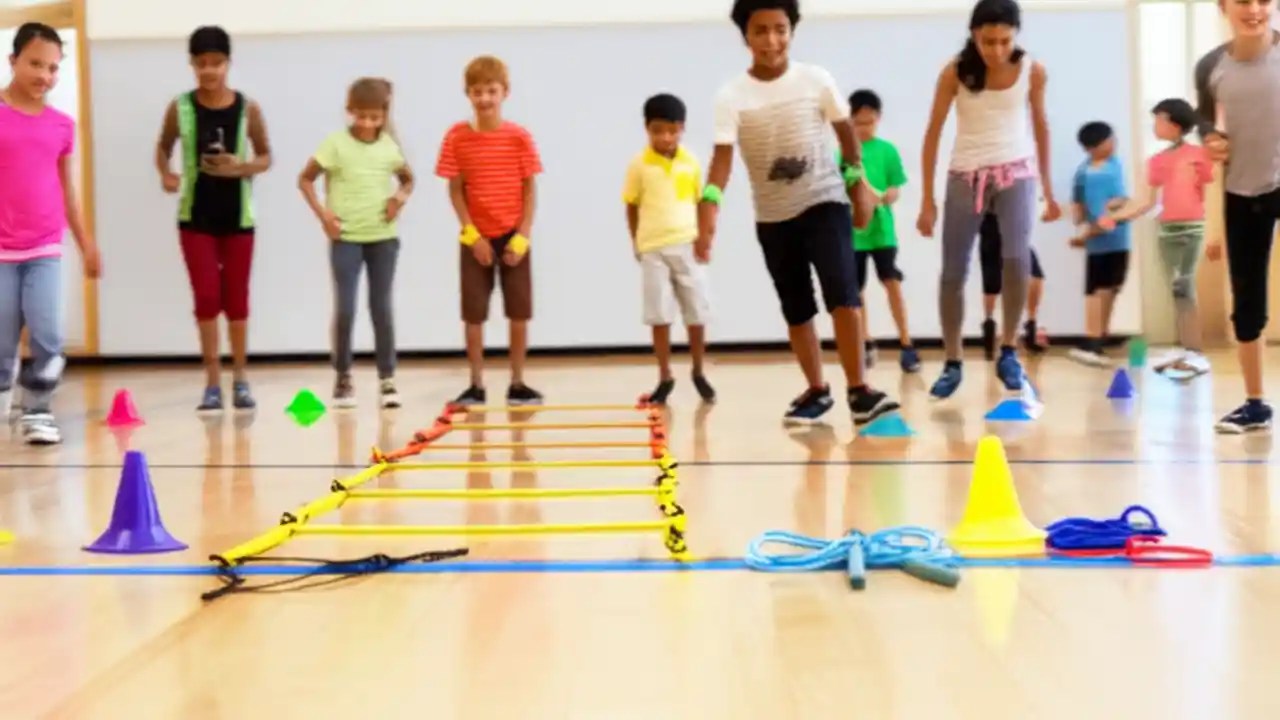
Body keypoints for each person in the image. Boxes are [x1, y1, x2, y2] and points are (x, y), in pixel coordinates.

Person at [699, 0, 899, 426]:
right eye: (761, 31)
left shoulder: (815, 80)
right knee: (797, 307)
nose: (772, 40)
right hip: (773, 217)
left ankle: (860, 390)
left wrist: (856, 185)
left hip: (825, 201)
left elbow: (847, 137)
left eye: (780, 29)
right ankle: (816, 389)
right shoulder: (731, 96)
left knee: (843, 294)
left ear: (792, 30)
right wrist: (710, 202)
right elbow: (721, 160)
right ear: (745, 36)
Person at [916, 0, 1061, 400]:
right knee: (953, 271)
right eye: (987, 41)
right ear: (974, 35)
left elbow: (1042, 128)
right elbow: (932, 135)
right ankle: (952, 360)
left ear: (1015, 36)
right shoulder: (955, 71)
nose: (996, 50)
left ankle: (1009, 349)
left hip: (1017, 172)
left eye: (1003, 41)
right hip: (966, 174)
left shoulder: (1033, 70)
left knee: (1017, 260)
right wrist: (927, 200)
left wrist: (1048, 190)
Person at [155, 25, 272, 414]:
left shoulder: (248, 108)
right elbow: (163, 146)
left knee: (236, 300)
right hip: (195, 217)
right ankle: (211, 383)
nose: (209, 71)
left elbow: (266, 157)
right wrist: (167, 174)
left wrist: (240, 167)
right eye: (201, 64)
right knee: (207, 297)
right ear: (192, 64)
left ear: (228, 64)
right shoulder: (181, 107)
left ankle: (240, 379)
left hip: (238, 218)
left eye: (216, 63)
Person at [0, 22, 101, 445]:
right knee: (2, 339)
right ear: (13, 61)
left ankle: (38, 410)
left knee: (49, 334)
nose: (45, 75)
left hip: (44, 246)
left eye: (53, 68)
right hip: (1, 251)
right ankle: (6, 401)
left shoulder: (61, 125)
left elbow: (67, 189)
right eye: (36, 64)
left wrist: (86, 242)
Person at [298, 78, 414, 409]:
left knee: (381, 308)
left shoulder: (389, 146)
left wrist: (399, 199)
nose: (366, 124)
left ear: (383, 115)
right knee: (346, 308)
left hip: (383, 239)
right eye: (360, 116)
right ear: (350, 112)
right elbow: (305, 179)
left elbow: (408, 179)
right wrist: (324, 216)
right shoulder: (335, 144)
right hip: (346, 238)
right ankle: (343, 375)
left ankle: (387, 378)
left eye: (374, 118)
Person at [435, 55, 543, 407]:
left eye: (491, 91)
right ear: (468, 94)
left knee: (518, 311)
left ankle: (518, 382)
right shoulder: (456, 137)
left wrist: (523, 236)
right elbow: (455, 190)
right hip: (475, 240)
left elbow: (529, 189)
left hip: (513, 235)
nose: (484, 99)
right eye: (477, 92)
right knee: (474, 313)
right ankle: (476, 384)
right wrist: (472, 237)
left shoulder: (519, 137)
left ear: (505, 93)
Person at [1194, 2, 1277, 433]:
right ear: (1224, 6)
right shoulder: (1210, 67)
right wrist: (1210, 139)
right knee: (1247, 302)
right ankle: (1256, 404)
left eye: (1264, 0)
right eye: (1243, 0)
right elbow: (1205, 124)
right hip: (1243, 192)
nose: (1255, 9)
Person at [1105, 98, 1212, 377]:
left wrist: (1216, 234)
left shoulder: (1199, 155)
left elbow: (1210, 195)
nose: (1155, 125)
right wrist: (1116, 216)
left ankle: (1196, 353)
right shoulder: (1155, 161)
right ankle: (1189, 349)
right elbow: (1145, 202)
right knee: (1177, 291)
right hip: (1166, 231)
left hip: (1194, 229)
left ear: (1175, 123)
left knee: (1185, 287)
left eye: (1159, 119)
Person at [622, 93, 716, 405]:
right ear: (647, 129)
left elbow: (702, 202)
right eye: (658, 130)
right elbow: (631, 206)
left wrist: (705, 237)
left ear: (682, 129)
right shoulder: (639, 165)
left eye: (672, 131)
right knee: (659, 314)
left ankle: (699, 370)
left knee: (697, 311)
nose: (665, 137)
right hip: (653, 248)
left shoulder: (691, 162)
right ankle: (664, 375)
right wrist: (637, 241)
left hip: (687, 245)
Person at [843, 89, 921, 373]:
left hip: (883, 232)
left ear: (879, 119)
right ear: (850, 121)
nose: (865, 127)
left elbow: (894, 189)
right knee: (856, 289)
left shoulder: (887, 151)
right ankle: (865, 341)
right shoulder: (843, 152)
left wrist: (884, 197)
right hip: (853, 234)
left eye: (870, 121)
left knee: (892, 283)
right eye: (859, 122)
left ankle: (906, 343)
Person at [1065, 121, 1130, 367]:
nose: (1114, 143)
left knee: (1110, 287)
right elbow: (1085, 208)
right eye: (1109, 140)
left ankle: (1099, 338)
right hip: (1103, 236)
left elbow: (1117, 200)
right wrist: (1088, 232)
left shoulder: (1113, 164)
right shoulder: (1091, 173)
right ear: (1094, 146)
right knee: (1100, 289)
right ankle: (1091, 341)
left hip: (1117, 237)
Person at [978, 213, 1046, 358]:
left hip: (992, 231)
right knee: (1034, 275)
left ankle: (990, 331)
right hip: (1005, 230)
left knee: (992, 283)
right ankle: (1029, 329)